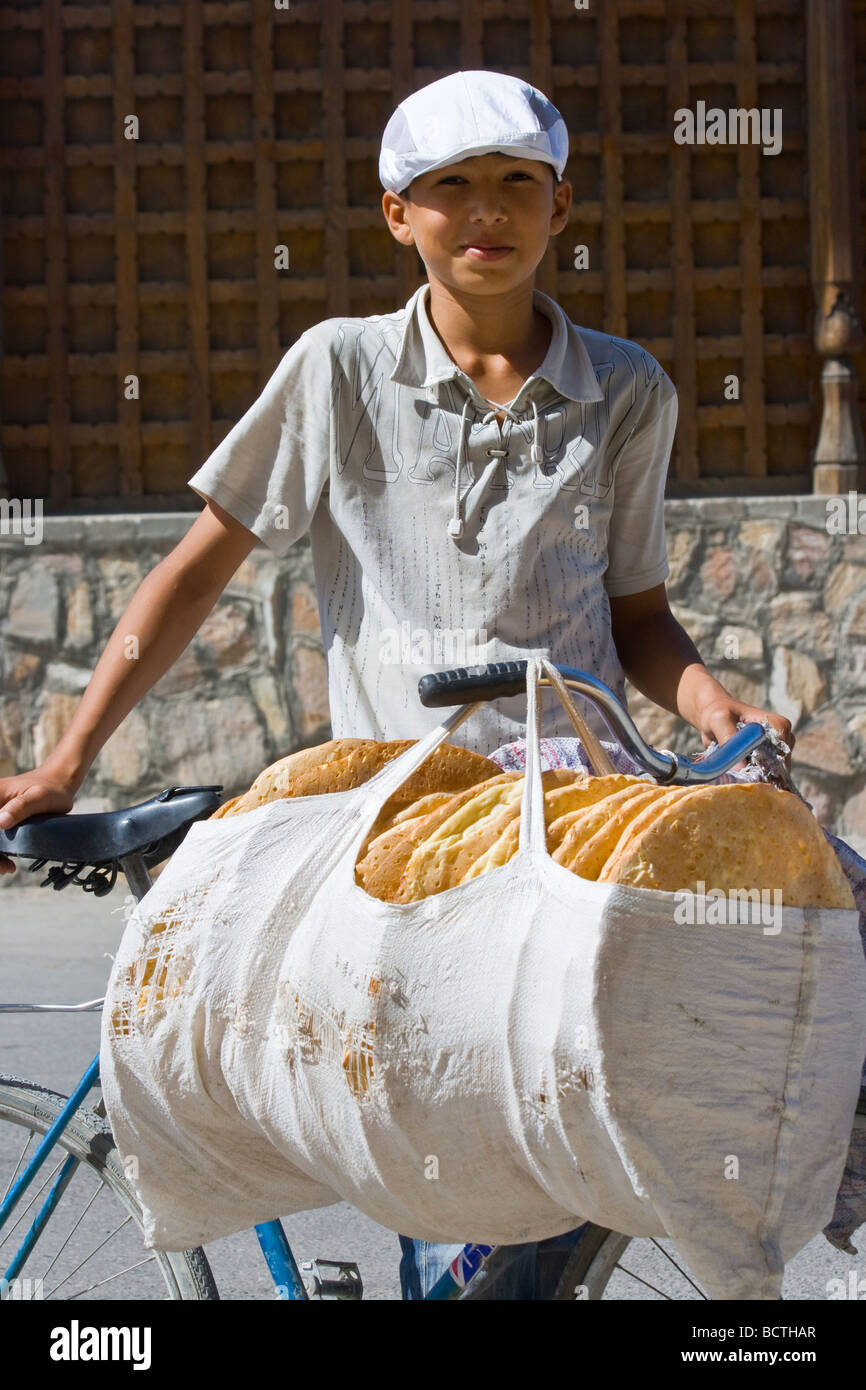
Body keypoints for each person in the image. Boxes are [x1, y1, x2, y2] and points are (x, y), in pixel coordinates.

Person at [0, 70, 797, 1298]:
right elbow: (197, 570)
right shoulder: (337, 371)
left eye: (515, 185)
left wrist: (709, 706)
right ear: (396, 215)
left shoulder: (625, 388)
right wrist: (67, 758)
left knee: (753, 970)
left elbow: (637, 614)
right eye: (451, 189)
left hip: (570, 802)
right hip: (400, 810)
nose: (486, 213)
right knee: (466, 1114)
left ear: (558, 203)